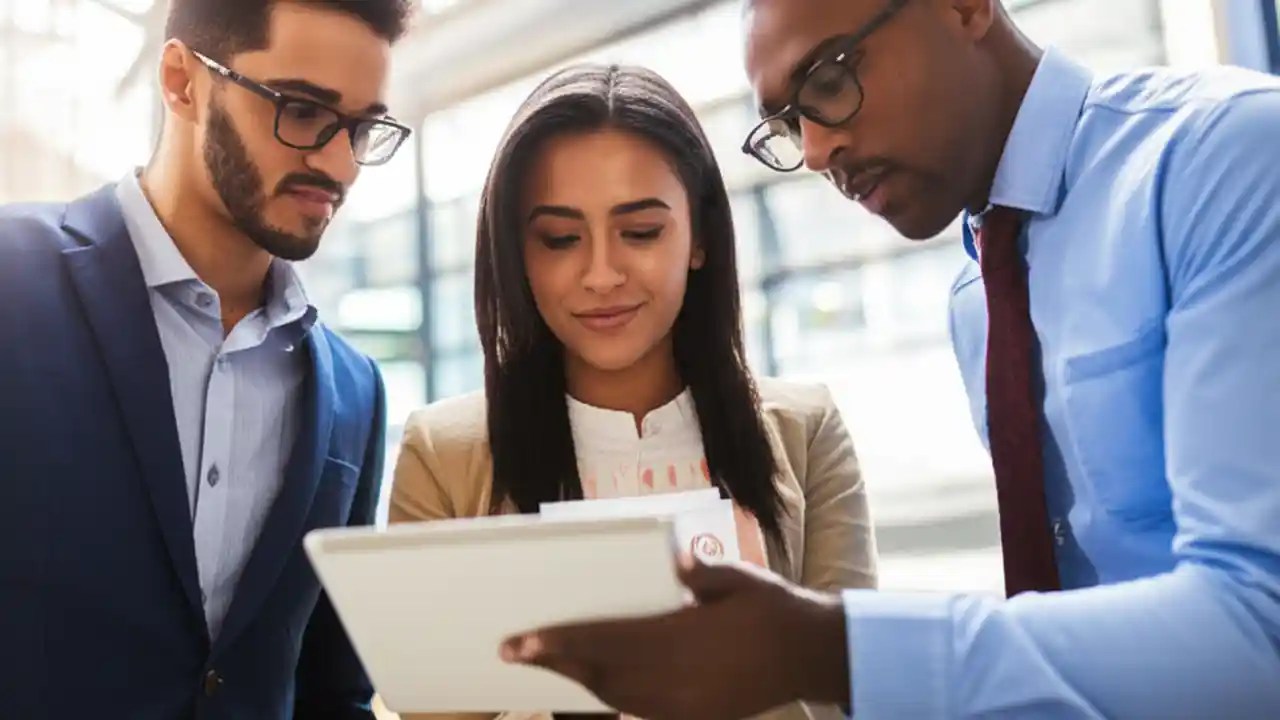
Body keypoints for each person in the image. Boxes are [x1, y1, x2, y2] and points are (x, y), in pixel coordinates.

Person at [497, 0, 1280, 717]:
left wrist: (826, 647)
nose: (813, 150)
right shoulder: (979, 294)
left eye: (829, 80)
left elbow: (1261, 624)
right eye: (786, 121)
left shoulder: (1227, 160)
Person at [389, 63, 877, 720]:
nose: (600, 275)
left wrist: (769, 650)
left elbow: (861, 700)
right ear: (517, 253)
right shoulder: (444, 456)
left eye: (641, 231)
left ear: (699, 236)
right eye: (559, 239)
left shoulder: (805, 431)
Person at [0, 1, 414, 717]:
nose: (340, 163)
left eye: (363, 126)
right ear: (181, 80)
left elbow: (331, 688)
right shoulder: (11, 281)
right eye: (302, 110)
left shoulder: (355, 392)